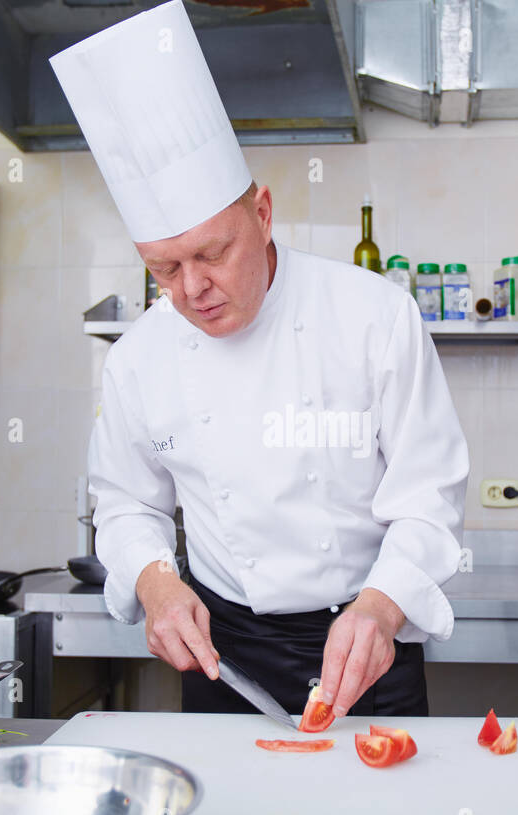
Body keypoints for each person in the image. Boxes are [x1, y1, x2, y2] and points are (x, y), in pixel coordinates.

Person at [52, 0, 468, 720]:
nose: (192, 290)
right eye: (163, 269)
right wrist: (157, 584)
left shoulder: (373, 317)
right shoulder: (140, 359)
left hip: (365, 639)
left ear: (264, 214)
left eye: (212, 253)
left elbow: (428, 497)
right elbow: (124, 502)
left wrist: (381, 608)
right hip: (225, 654)